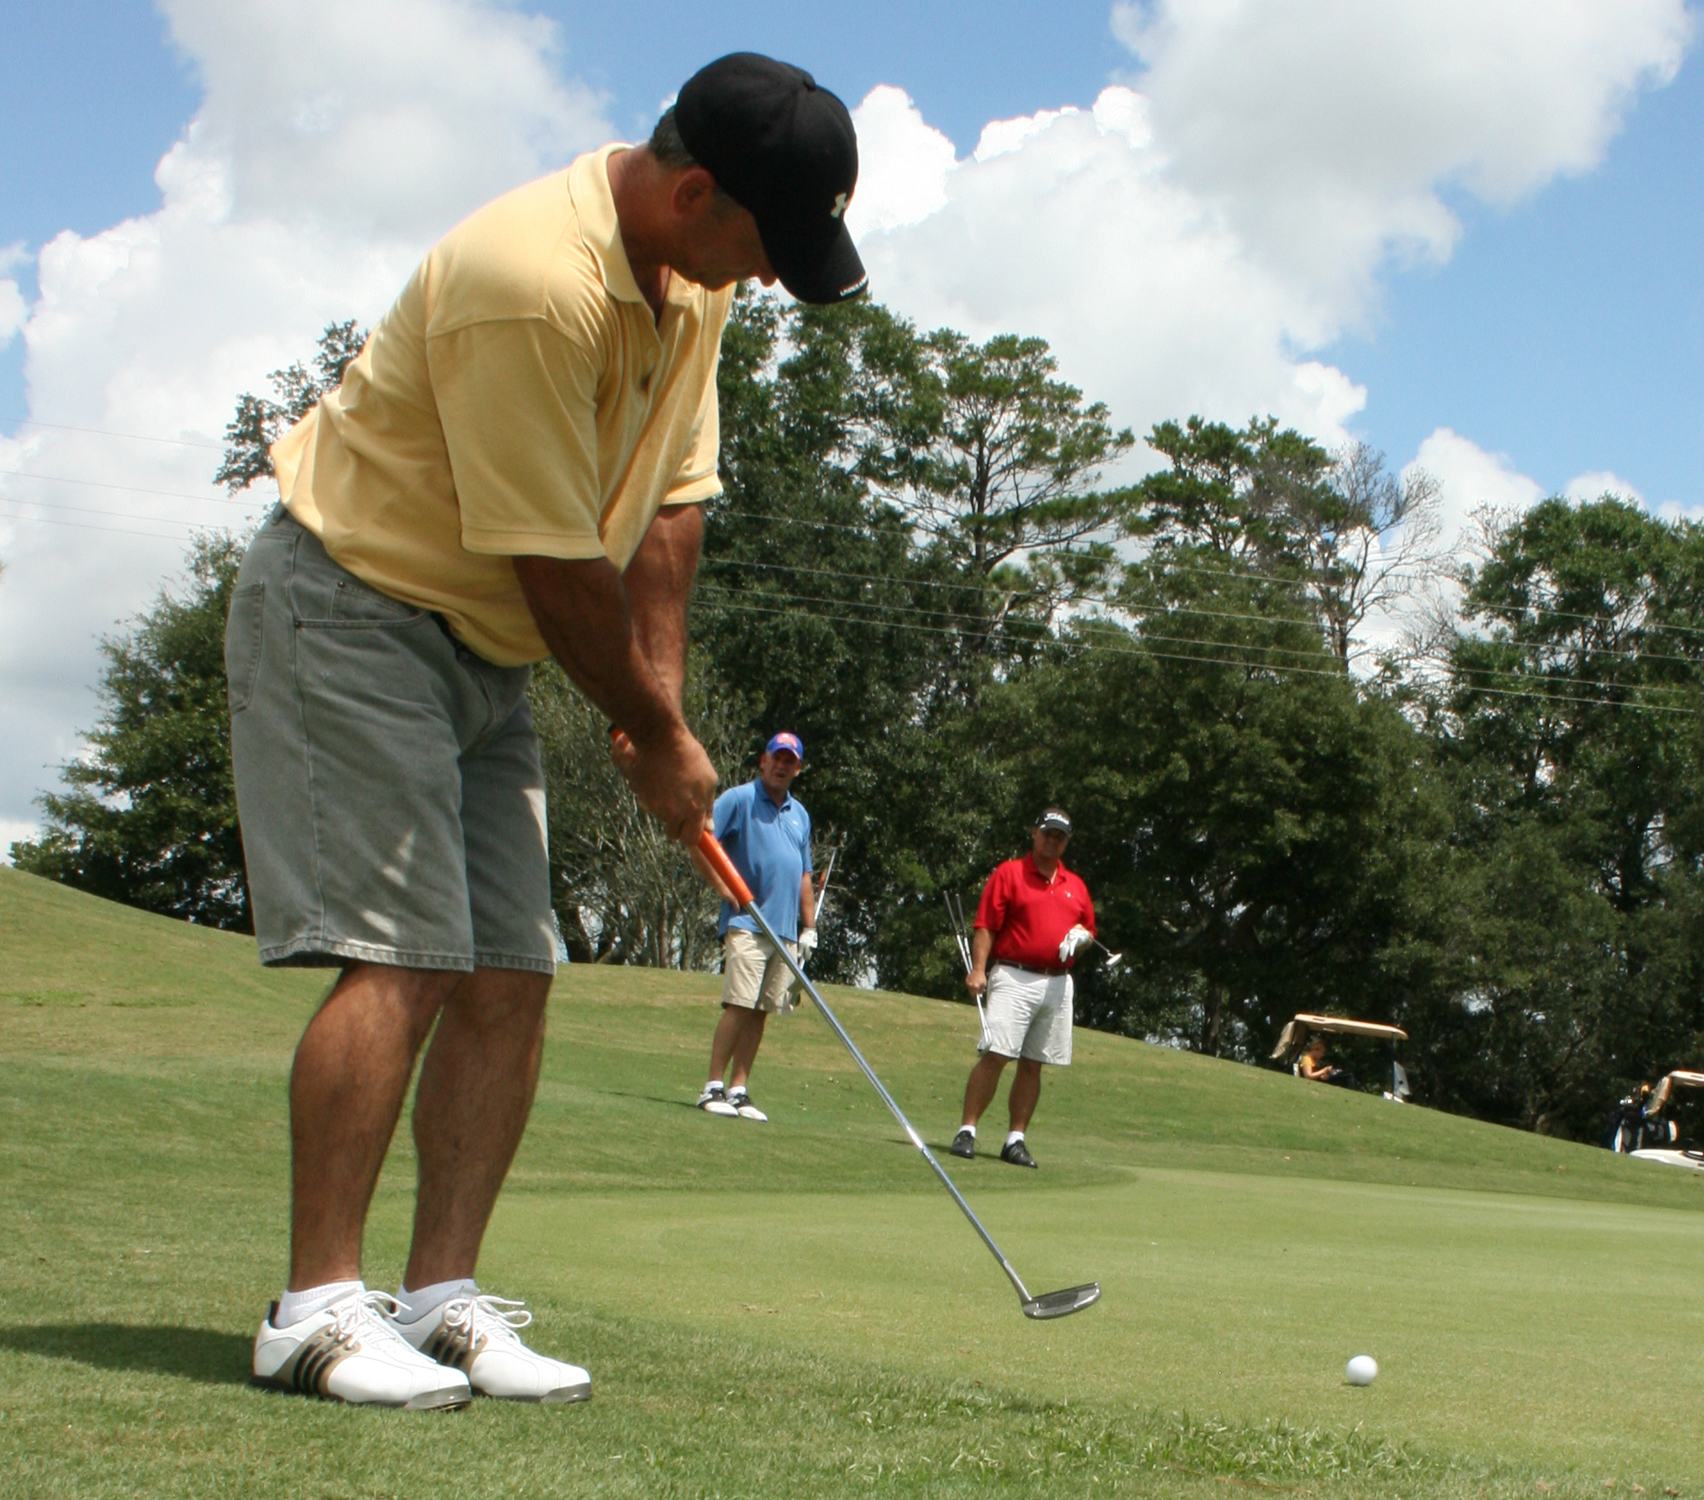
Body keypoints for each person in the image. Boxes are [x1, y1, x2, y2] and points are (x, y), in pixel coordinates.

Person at [230, 53, 866, 1409]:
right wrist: (646, 727)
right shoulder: (533, 280)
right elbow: (553, 561)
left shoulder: (690, 287)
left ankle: (440, 1295)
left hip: (484, 647)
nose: (765, 274)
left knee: (513, 969)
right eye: (763, 242)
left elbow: (671, 515)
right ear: (697, 191)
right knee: (401, 956)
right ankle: (315, 1309)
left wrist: (664, 722)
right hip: (352, 602)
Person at [949, 809, 1097, 1169]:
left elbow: (1089, 931)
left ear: (1067, 841)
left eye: (1060, 836)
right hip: (1014, 975)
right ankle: (967, 1130)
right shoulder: (1010, 873)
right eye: (1048, 833)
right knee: (998, 1053)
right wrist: (979, 970)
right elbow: (986, 924)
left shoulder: (1075, 885)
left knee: (1034, 1064)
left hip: (1057, 983)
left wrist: (1083, 940)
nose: (1053, 840)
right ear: (1034, 833)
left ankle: (1015, 1139)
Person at [696, 732, 815, 1122]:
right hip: (748, 921)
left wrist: (808, 927)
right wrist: (721, 886)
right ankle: (712, 1085)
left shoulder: (799, 814)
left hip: (784, 931)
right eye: (776, 758)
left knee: (761, 1010)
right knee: (739, 1003)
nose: (782, 766)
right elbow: (701, 838)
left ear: (798, 768)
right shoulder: (740, 798)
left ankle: (738, 1089)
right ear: (763, 761)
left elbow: (803, 876)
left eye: (790, 761)